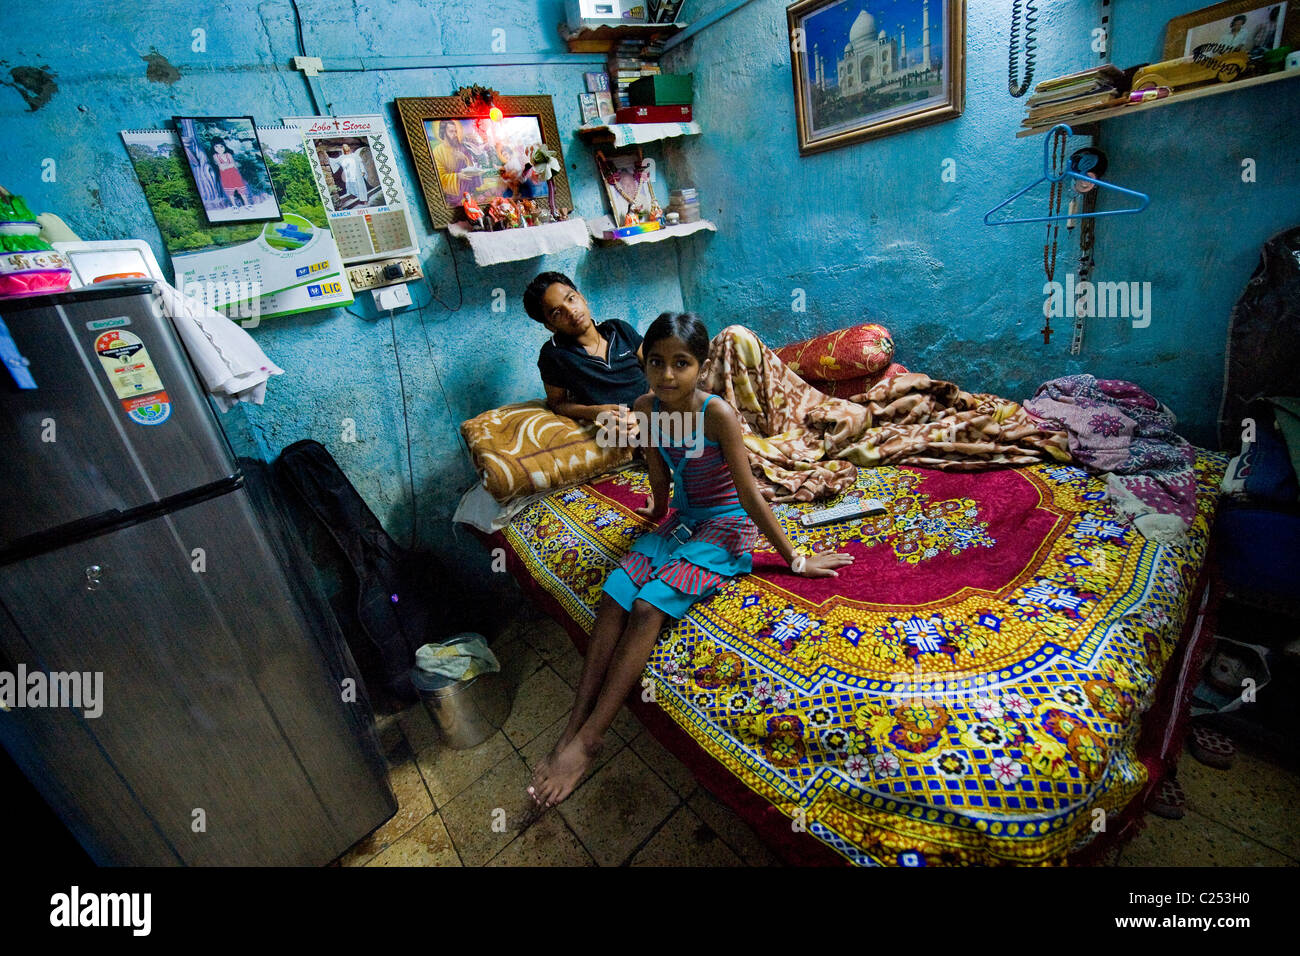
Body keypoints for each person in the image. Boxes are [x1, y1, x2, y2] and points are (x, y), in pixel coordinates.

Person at [527, 312, 855, 808]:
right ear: (645, 365)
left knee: (646, 607)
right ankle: (573, 724)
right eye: (656, 362)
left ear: (700, 367)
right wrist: (657, 513)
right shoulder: (645, 408)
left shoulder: (716, 414)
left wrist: (795, 557)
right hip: (682, 517)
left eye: (681, 363)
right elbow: (657, 469)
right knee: (616, 592)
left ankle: (590, 739)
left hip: (725, 523)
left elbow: (748, 493)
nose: (667, 375)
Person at [523, 272, 648, 437]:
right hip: (623, 422)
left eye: (571, 298)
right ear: (550, 326)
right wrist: (593, 412)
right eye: (557, 313)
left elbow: (659, 368)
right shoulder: (554, 355)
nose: (571, 311)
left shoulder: (618, 329)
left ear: (582, 297)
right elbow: (557, 403)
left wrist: (646, 411)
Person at [211, 141, 250, 209]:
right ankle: (234, 206)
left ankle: (247, 204)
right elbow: (221, 167)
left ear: (224, 147)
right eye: (216, 147)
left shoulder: (228, 154)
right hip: (225, 176)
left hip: (235, 174)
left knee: (241, 190)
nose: (219, 149)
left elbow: (233, 164)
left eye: (221, 146)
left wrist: (226, 165)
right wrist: (228, 165)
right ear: (213, 148)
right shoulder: (215, 156)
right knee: (230, 192)